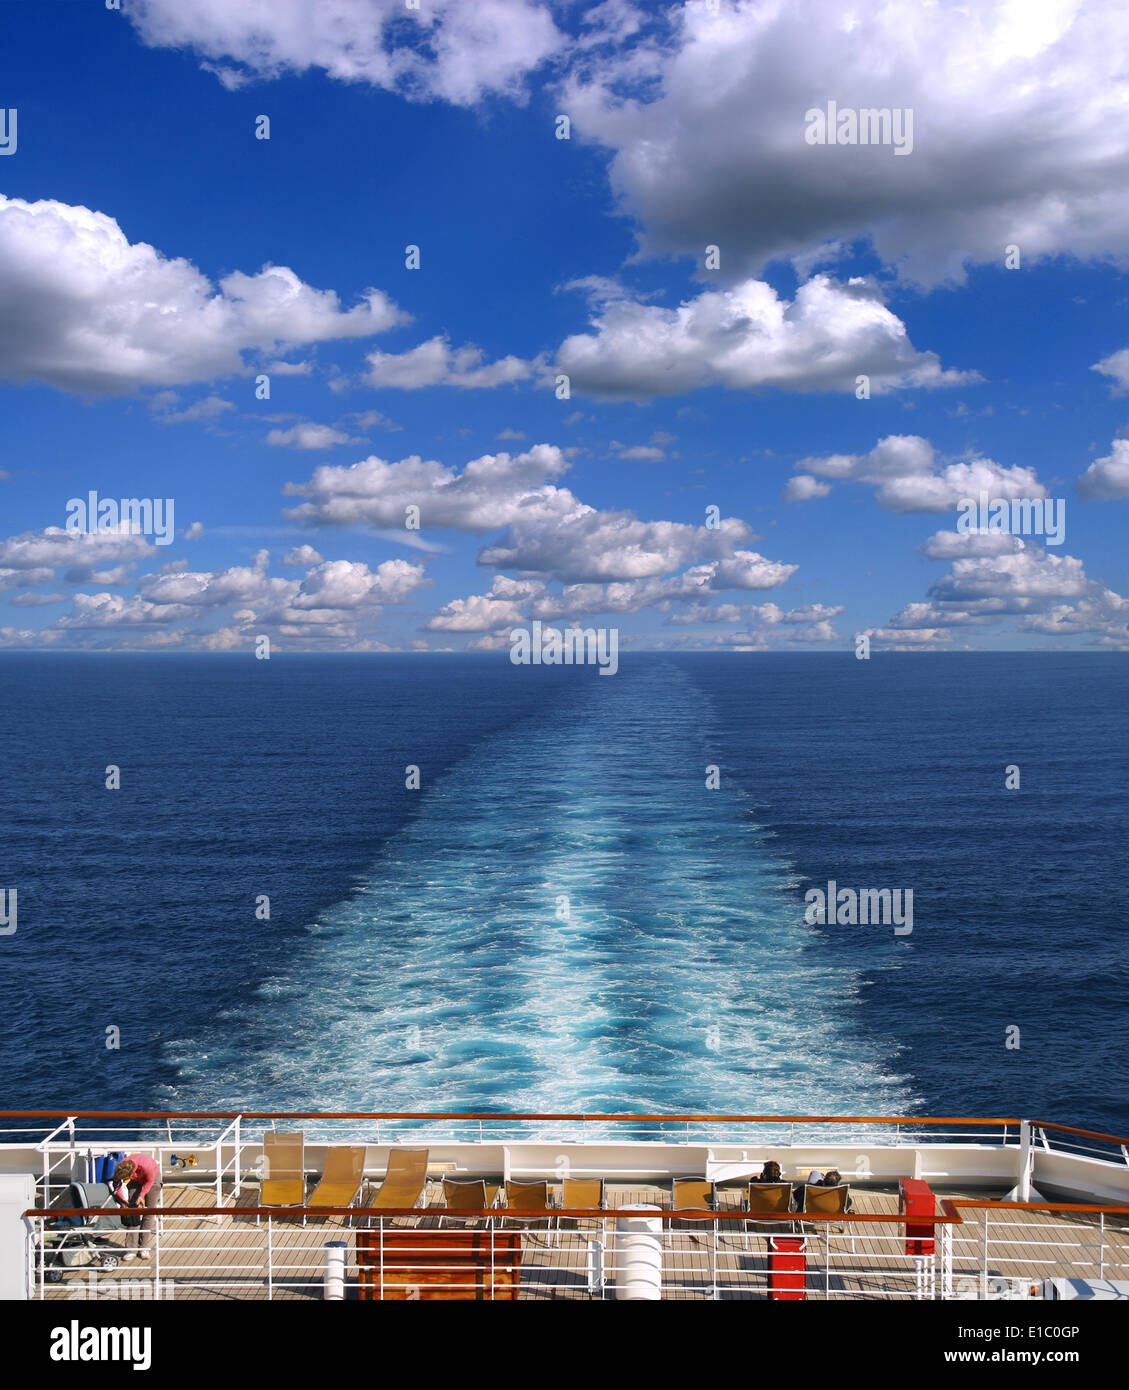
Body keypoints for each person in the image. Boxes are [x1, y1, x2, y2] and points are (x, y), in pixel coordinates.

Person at [112, 1155, 162, 1261]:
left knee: (149, 1212)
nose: (126, 1180)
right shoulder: (120, 1169)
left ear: (132, 1174)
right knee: (132, 1212)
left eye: (127, 1179)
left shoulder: (146, 1166)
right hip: (135, 1182)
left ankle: (144, 1248)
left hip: (152, 1181)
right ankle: (131, 1249)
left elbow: (149, 1182)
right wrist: (122, 1200)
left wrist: (141, 1195)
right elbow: (117, 1186)